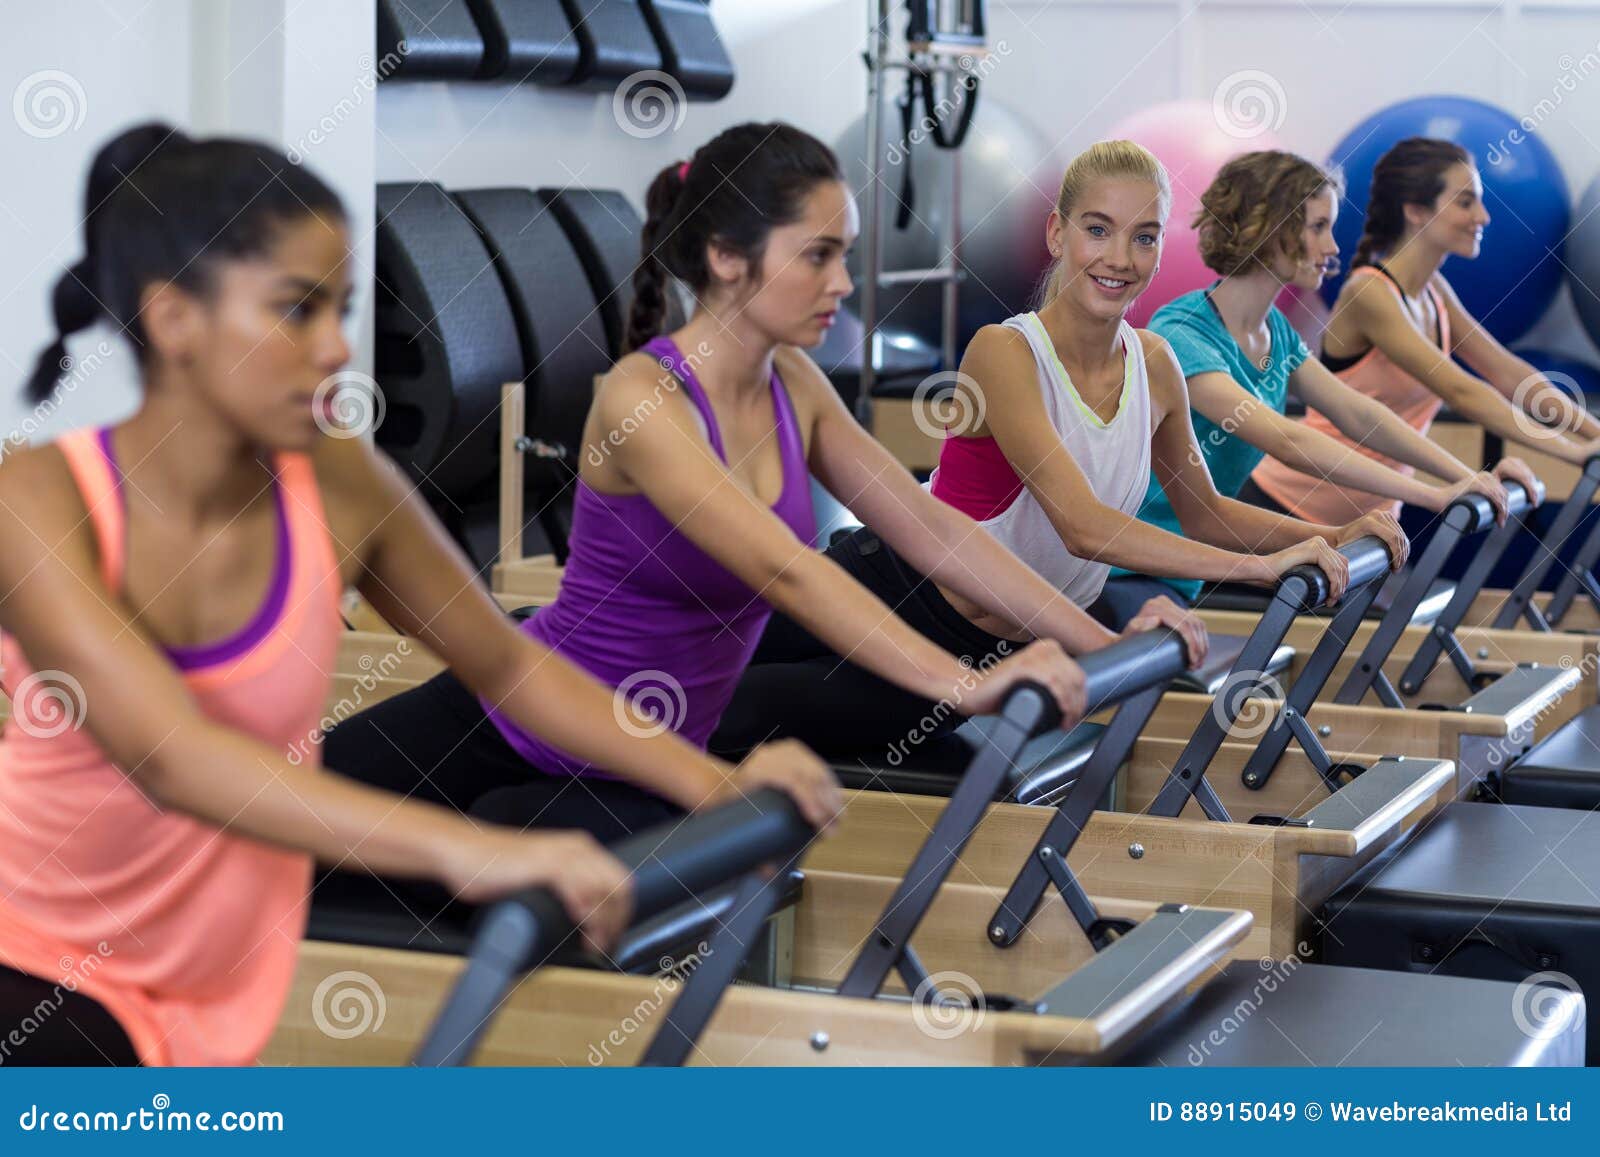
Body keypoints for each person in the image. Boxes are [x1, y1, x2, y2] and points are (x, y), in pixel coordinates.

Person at [0, 124, 837, 1067]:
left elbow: (510, 663)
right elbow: (176, 757)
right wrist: (473, 850)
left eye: (344, 310)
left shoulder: (341, 482)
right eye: (295, 311)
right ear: (174, 318)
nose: (333, 350)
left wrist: (717, 788)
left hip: (220, 994)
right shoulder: (37, 497)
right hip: (39, 975)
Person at [327, 121, 1111, 831]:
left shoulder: (794, 383)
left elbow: (931, 528)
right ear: (727, 257)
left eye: (844, 254)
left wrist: (1098, 640)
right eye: (819, 255)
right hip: (512, 732)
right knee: (267, 850)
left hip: (648, 755)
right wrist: (964, 684)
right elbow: (785, 569)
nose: (844, 282)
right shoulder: (644, 397)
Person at [715, 139, 1386, 759]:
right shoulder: (1006, 352)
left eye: (1143, 237)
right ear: (1057, 233)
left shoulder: (1155, 364)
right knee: (701, 696)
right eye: (1098, 230)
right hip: (890, 586)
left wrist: (1328, 534)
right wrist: (1259, 570)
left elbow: (1205, 511)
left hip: (979, 649)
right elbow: (1083, 526)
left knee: (752, 717)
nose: (1120, 258)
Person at [1106, 149, 1536, 608]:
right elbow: (1289, 441)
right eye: (1317, 228)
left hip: (1187, 570)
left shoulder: (1277, 335)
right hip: (1127, 569)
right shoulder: (1181, 332)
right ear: (1270, 229)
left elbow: (1357, 412)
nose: (1332, 248)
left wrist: (1467, 478)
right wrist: (1433, 495)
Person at [1251, 137, 1598, 525]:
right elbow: (1459, 389)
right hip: (1287, 503)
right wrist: (1570, 451)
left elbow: (1507, 372)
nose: (1482, 216)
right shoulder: (1368, 293)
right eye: (1465, 202)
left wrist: (1592, 434)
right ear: (1416, 210)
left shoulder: (1434, 293)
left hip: (1370, 519)